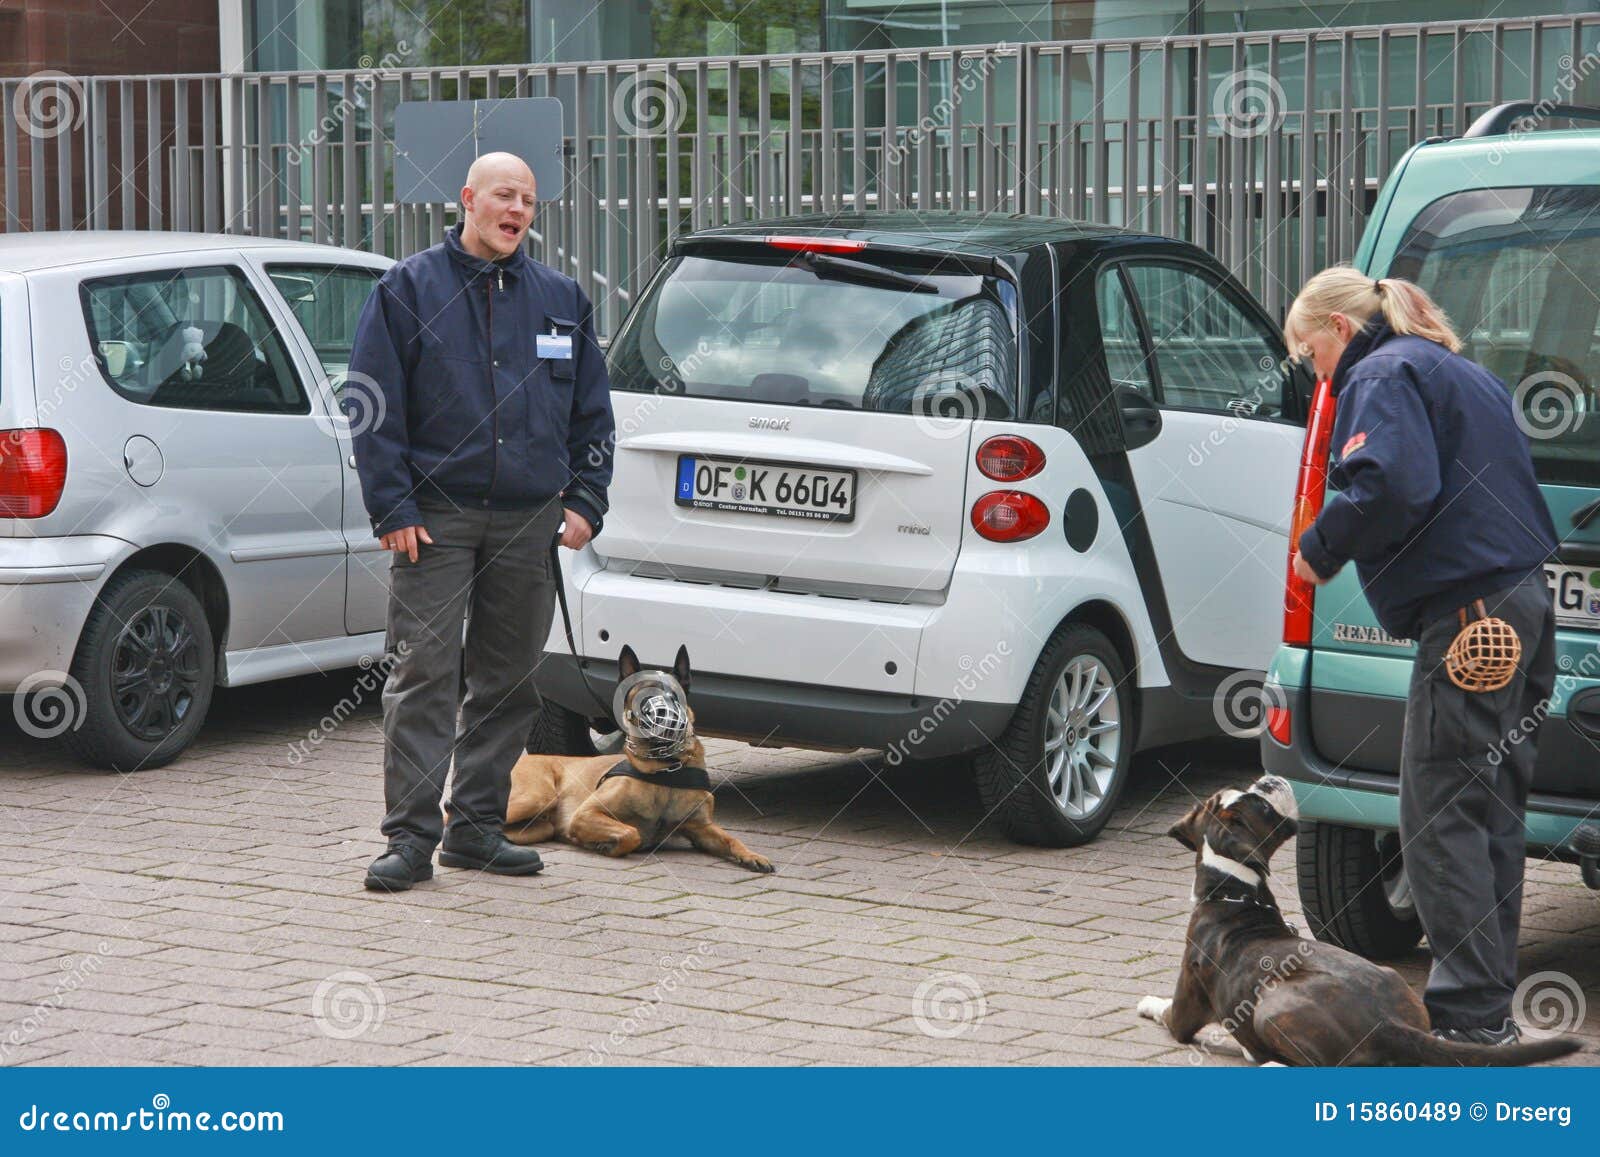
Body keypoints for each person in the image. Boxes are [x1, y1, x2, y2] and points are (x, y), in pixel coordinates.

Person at [1285, 266, 1558, 1045]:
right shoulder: (1453, 368)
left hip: (1470, 614)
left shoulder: (1380, 371)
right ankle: (1487, 1016)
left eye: (1311, 355)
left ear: (1339, 329)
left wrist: (1320, 547)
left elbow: (1393, 483)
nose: (1318, 375)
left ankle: (1470, 1024)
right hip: (1519, 606)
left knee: (1437, 815)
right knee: (1489, 811)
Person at [347, 152, 615, 892]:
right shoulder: (407, 290)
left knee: (509, 682)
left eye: (528, 200)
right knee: (424, 674)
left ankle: (476, 829)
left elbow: (594, 410)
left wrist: (587, 498)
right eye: (505, 195)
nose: (518, 209)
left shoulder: (561, 299)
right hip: (434, 520)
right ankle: (409, 837)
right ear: (468, 198)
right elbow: (371, 404)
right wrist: (392, 505)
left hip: (528, 522)